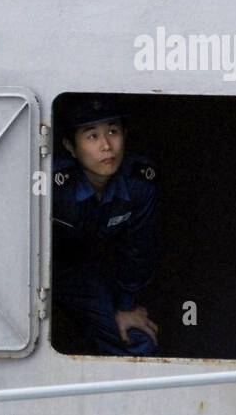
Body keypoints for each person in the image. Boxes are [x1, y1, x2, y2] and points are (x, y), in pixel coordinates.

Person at [51, 95, 160, 356]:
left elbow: (139, 252)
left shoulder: (139, 183)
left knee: (138, 340)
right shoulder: (54, 186)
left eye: (112, 131)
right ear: (70, 146)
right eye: (92, 136)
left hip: (92, 276)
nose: (106, 146)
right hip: (40, 274)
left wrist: (123, 307)